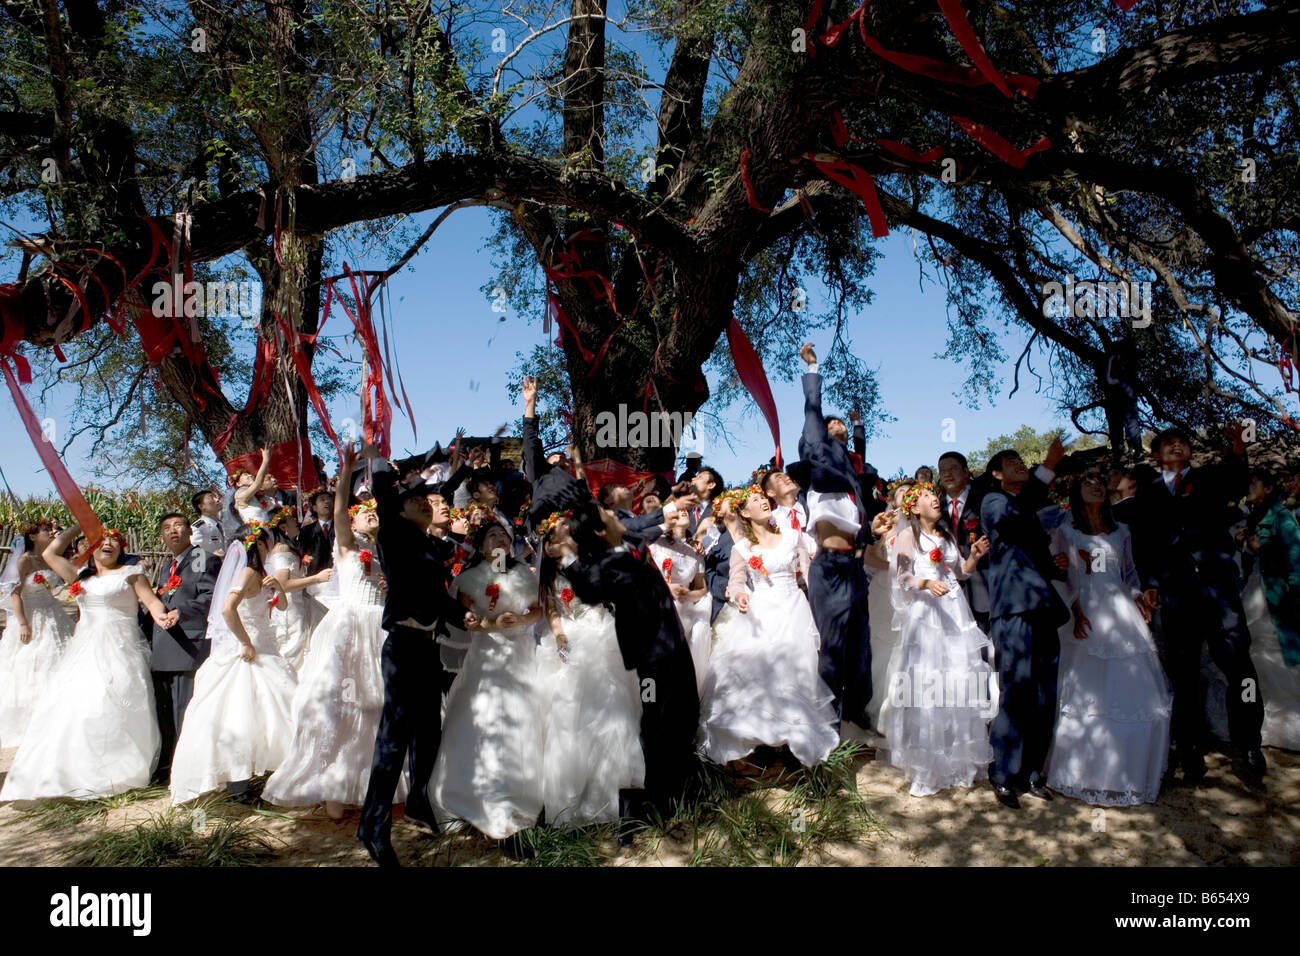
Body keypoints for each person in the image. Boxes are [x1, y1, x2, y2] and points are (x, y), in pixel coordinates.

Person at [265, 446, 399, 818]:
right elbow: (339, 511)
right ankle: (334, 784)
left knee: (378, 703)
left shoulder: (384, 550)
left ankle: (372, 782)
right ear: (353, 524)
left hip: (380, 627)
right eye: (363, 513)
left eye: (374, 512)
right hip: (351, 628)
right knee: (345, 702)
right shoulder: (346, 546)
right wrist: (347, 471)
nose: (369, 514)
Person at [1127, 425, 1267, 783]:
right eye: (1168, 444)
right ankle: (1189, 748)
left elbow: (1236, 479)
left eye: (1182, 442)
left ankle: (1250, 743)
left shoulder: (1209, 479)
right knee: (1183, 675)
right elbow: (1144, 545)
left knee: (1239, 668)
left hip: (1217, 590)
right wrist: (1151, 585)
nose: (1177, 446)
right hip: (1176, 595)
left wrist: (1238, 447)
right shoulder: (1148, 493)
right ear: (1156, 455)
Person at [356, 442, 468, 867]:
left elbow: (438, 599)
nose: (424, 502)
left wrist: (464, 618)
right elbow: (387, 495)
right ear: (399, 512)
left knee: (429, 732)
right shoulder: (395, 535)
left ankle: (421, 803)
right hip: (401, 647)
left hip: (428, 647)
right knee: (394, 738)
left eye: (427, 499)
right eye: (416, 500)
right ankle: (374, 826)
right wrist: (378, 455)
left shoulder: (426, 547)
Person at [2, 525, 173, 801]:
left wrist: (161, 616)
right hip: (85, 650)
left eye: (114, 541)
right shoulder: (80, 576)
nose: (108, 543)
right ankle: (74, 772)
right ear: (92, 547)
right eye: (102, 540)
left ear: (122, 549)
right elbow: (50, 553)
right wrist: (80, 526)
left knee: (117, 703)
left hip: (122, 648)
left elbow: (151, 601)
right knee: (81, 706)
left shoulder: (132, 574)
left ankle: (117, 770)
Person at [1045, 471, 1172, 806]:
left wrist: (1139, 595)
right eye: (1087, 482)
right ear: (1076, 492)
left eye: (1100, 481)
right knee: (1087, 691)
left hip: (1120, 610)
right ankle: (1081, 772)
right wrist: (1075, 609)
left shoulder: (1122, 531)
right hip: (1084, 609)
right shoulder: (1066, 531)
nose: (1097, 486)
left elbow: (1128, 573)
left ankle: (1126, 773)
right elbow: (1061, 574)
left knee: (1128, 689)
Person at [700, 485, 840, 769]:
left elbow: (809, 574)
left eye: (763, 497)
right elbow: (736, 582)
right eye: (755, 500)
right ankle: (763, 743)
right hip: (761, 612)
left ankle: (794, 742)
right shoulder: (742, 548)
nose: (763, 502)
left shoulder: (792, 536)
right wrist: (739, 595)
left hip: (794, 610)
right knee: (760, 673)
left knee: (796, 672)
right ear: (744, 513)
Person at [428, 517, 546, 839]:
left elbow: (538, 610)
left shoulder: (524, 574)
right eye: (492, 536)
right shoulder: (469, 578)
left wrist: (520, 619)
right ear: (481, 546)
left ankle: (518, 797)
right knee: (483, 717)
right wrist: (491, 626)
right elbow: (467, 619)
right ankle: (472, 798)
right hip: (486, 656)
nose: (500, 540)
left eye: (504, 535)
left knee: (522, 719)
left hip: (520, 654)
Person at [168, 522, 299, 805]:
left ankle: (267, 775)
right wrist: (245, 642)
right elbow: (227, 609)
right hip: (252, 651)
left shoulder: (264, 573)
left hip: (268, 646)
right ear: (259, 544)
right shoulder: (248, 571)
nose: (272, 547)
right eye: (269, 542)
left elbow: (283, 607)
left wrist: (279, 587)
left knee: (267, 712)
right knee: (244, 714)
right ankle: (239, 785)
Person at [877, 483, 995, 796]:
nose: (935, 500)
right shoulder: (908, 536)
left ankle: (959, 760)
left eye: (935, 497)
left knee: (958, 678)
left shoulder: (946, 536)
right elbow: (902, 577)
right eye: (929, 497)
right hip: (925, 613)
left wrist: (974, 558)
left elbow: (960, 572)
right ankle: (927, 765)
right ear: (915, 508)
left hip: (954, 611)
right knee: (928, 682)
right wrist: (926, 581)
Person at [534, 510, 646, 826]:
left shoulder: (592, 562)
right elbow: (552, 611)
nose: (564, 537)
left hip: (603, 637)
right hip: (571, 639)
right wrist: (558, 636)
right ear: (548, 546)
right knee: (569, 718)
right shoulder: (550, 577)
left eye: (566, 532)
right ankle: (573, 798)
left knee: (613, 716)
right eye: (556, 535)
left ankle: (616, 798)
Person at [980, 438, 1071, 809]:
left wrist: (1055, 567)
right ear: (998, 474)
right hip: (1013, 611)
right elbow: (1010, 521)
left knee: (1043, 694)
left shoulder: (1028, 512)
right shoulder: (994, 501)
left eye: (1023, 460)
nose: (1019, 464)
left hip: (1043, 609)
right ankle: (1003, 774)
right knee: (1015, 691)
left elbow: (1032, 552)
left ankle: (1033, 773)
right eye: (1011, 462)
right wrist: (1047, 466)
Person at [796, 343, 872, 733]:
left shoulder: (853, 473)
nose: (835, 425)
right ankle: (827, 721)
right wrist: (813, 369)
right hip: (829, 566)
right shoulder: (820, 456)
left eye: (840, 425)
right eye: (832, 424)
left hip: (857, 566)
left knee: (861, 645)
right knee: (833, 645)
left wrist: (857, 430)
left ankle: (858, 711)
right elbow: (813, 412)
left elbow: (858, 458)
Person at [146, 512, 221, 785]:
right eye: (166, 528)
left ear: (190, 531)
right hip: (164, 644)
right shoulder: (168, 565)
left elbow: (210, 595)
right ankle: (167, 767)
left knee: (184, 712)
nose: (172, 531)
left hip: (188, 643)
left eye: (178, 525)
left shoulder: (202, 557)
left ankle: (186, 771)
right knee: (165, 714)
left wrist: (182, 611)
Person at [1238, 469, 1300, 750]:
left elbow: (1295, 561)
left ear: (1269, 487)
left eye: (1254, 482)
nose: (1248, 487)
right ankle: (1263, 725)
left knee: (1277, 659)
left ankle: (1289, 727)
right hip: (1252, 591)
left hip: (1274, 597)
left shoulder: (1282, 517)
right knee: (1255, 660)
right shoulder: (1255, 515)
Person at [0, 521, 75, 743]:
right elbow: (15, 593)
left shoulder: (51, 558)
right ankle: (31, 722)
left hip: (54, 614)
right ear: (32, 537)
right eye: (46, 531)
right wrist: (22, 622)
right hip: (31, 616)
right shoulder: (24, 560)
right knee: (30, 666)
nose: (51, 534)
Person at [648, 507, 711, 696]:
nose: (683, 511)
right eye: (677, 509)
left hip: (685, 609)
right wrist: (666, 589)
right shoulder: (655, 544)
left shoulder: (696, 550)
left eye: (685, 509)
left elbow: (701, 587)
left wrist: (689, 595)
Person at [864, 483, 910, 730]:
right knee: (885, 650)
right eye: (901, 492)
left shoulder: (921, 525)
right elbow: (870, 557)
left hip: (912, 592)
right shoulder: (885, 523)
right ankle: (883, 710)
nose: (906, 494)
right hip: (885, 591)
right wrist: (894, 571)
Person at [264, 506, 331, 671]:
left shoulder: (290, 546)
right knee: (293, 650)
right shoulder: (281, 549)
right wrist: (316, 578)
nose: (296, 521)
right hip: (290, 608)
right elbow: (283, 584)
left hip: (301, 604)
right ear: (283, 527)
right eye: (292, 519)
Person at [936, 452, 990, 632]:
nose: (947, 474)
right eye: (942, 470)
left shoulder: (984, 500)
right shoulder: (935, 507)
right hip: (947, 585)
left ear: (966, 471)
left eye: (953, 468)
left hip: (982, 583)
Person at [297, 487, 337, 572]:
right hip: (315, 575)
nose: (327, 502)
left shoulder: (339, 527)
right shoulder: (306, 531)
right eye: (322, 500)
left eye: (329, 499)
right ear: (314, 508)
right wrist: (312, 559)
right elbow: (304, 554)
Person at [190, 490, 227, 559]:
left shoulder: (222, 524)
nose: (217, 500)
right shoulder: (198, 527)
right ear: (201, 506)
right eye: (211, 498)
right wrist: (211, 557)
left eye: (215, 497)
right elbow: (191, 552)